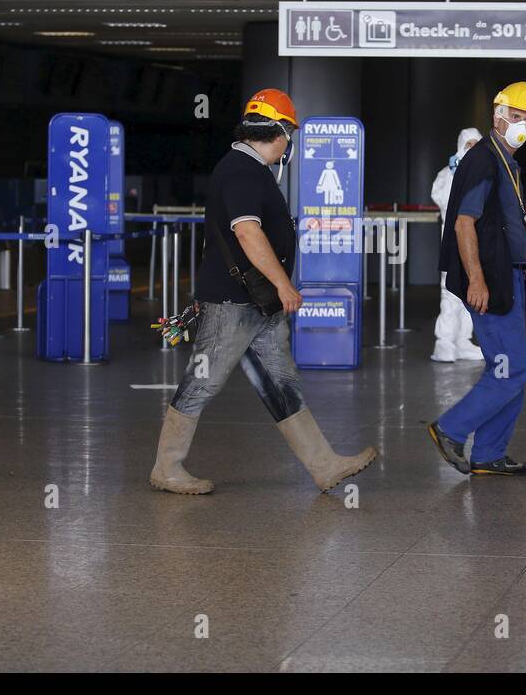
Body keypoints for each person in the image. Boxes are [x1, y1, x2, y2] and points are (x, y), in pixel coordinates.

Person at [149, 88, 377, 495]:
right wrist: (283, 283)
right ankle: (166, 468)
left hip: (257, 304)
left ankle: (324, 466)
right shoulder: (241, 170)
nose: (291, 142)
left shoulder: (250, 169)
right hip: (232, 302)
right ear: (281, 133)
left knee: (281, 379)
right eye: (291, 133)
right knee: (203, 380)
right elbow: (247, 231)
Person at [427, 83, 526, 477]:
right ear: (498, 116)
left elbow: (509, 225)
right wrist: (476, 280)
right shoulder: (483, 160)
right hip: (491, 280)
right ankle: (450, 429)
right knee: (511, 366)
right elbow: (465, 222)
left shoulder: (505, 162)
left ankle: (489, 453)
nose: (523, 126)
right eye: (517, 117)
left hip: (511, 276)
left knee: (514, 366)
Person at [430, 127, 484, 362]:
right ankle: (444, 343)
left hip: (477, 244)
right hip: (453, 242)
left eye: (476, 145)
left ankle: (463, 341)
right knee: (450, 292)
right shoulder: (447, 173)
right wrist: (455, 174)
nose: (472, 149)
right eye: (468, 144)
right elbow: (441, 199)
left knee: (472, 293)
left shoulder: (485, 174)